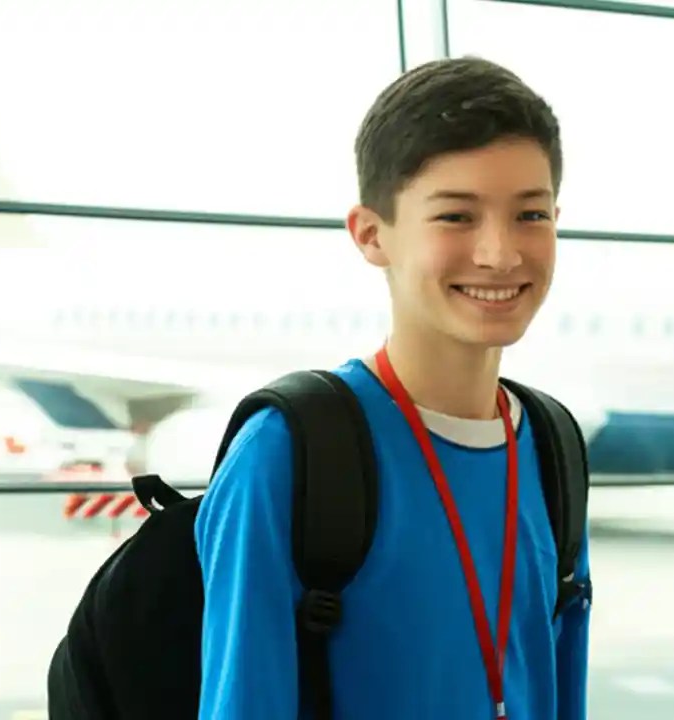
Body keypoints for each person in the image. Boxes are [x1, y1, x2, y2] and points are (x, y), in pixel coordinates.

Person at [193, 56, 592, 719]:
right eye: (456, 217)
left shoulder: (552, 452)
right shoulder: (288, 455)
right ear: (372, 235)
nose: (500, 253)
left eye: (531, 215)